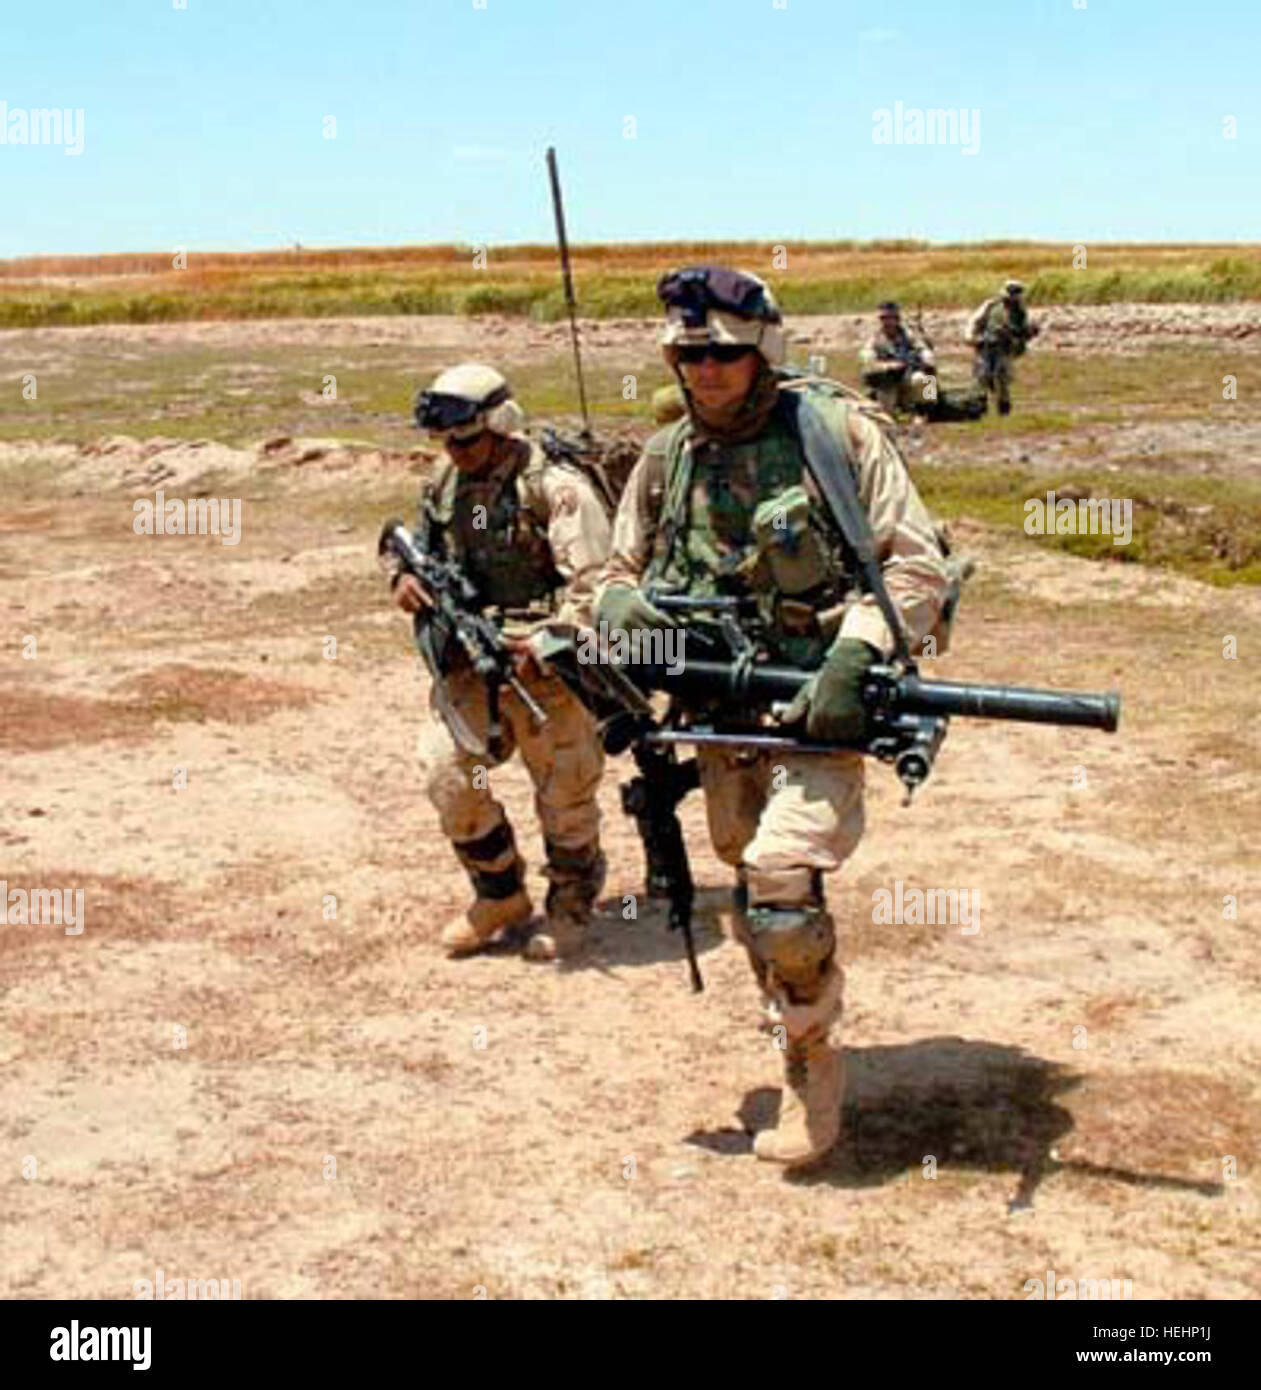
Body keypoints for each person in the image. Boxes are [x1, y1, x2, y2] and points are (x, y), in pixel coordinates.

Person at [593, 268, 952, 1166]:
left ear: (762, 351)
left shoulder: (836, 435)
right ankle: (793, 1020)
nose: (704, 370)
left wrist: (856, 652)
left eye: (721, 352)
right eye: (687, 354)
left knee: (780, 877)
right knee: (750, 886)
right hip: (718, 712)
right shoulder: (667, 457)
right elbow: (608, 571)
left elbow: (914, 566)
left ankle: (809, 1067)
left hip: (817, 701)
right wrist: (615, 606)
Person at [386, 363, 611, 962]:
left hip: (548, 667)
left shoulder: (555, 487)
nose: (454, 453)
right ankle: (500, 895)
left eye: (466, 439)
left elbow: (598, 585)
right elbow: (417, 548)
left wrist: (551, 641)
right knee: (449, 775)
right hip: (471, 661)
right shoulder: (444, 483)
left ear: (500, 425)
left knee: (565, 796)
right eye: (445, 442)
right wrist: (404, 579)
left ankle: (570, 902)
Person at [967, 279, 1040, 415]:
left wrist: (1030, 332)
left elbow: (1023, 331)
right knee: (983, 376)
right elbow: (975, 321)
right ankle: (979, 406)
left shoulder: (1020, 311)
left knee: (1002, 378)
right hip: (986, 345)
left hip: (1005, 348)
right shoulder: (991, 305)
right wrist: (971, 337)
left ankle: (1003, 408)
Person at [858, 301, 937, 414]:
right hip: (886, 382)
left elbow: (924, 350)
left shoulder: (909, 335)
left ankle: (929, 408)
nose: (887, 322)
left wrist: (926, 359)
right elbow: (868, 362)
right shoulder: (874, 339)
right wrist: (888, 366)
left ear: (897, 319)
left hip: (908, 376)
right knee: (886, 412)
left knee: (926, 377)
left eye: (891, 318)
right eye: (883, 318)